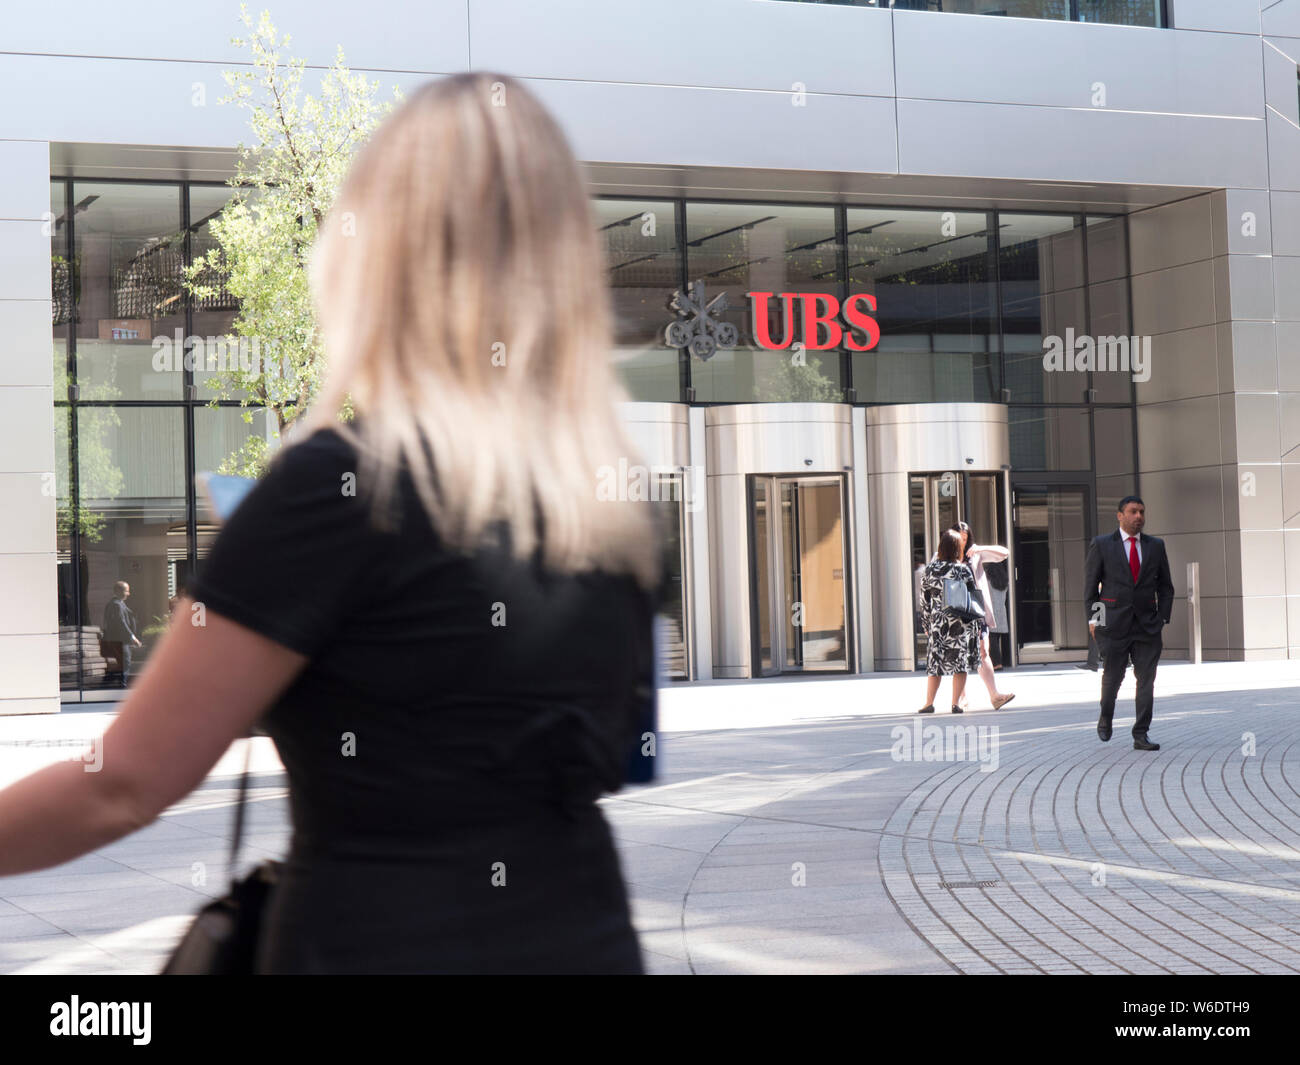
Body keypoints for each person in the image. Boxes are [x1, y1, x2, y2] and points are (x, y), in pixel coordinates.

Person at [0, 72, 662, 974]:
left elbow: (121, 784)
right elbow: (599, 753)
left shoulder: (344, 487)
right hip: (585, 940)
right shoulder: (613, 507)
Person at [1084, 495, 1174, 751]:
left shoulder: (1155, 546)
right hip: (1113, 626)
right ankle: (1106, 716)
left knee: (1146, 680)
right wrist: (1095, 622)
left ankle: (1141, 733)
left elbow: (1166, 587)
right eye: (1133, 512)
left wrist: (1162, 619)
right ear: (1120, 515)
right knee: (1113, 677)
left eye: (1142, 512)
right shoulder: (1102, 545)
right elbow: (1091, 590)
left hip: (1147, 626)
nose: (1139, 517)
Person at [951, 522, 1015, 711]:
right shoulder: (943, 556)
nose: (962, 543)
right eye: (958, 539)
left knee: (983, 651)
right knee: (958, 654)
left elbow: (1004, 553)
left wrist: (980, 548)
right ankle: (961, 697)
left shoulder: (975, 554)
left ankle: (994, 695)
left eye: (965, 539)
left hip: (976, 610)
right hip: (955, 612)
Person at [917, 529, 981, 714]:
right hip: (961, 623)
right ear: (957, 549)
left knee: (935, 664)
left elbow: (924, 600)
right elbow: (973, 598)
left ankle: (929, 703)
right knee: (960, 664)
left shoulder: (930, 569)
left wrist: (927, 624)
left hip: (939, 623)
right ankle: (956, 703)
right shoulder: (963, 570)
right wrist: (976, 625)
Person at [101, 580, 141, 688]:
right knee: (125, 661)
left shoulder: (119, 604)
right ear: (118, 591)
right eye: (126, 591)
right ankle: (121, 685)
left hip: (119, 639)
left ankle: (108, 682)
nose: (128, 594)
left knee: (122, 662)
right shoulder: (116, 605)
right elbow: (121, 622)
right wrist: (132, 636)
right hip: (119, 640)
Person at [982, 557, 1011, 669]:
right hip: (1001, 612)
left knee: (991, 639)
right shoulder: (1005, 583)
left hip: (990, 612)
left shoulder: (988, 582)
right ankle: (996, 662)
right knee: (995, 639)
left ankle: (997, 663)